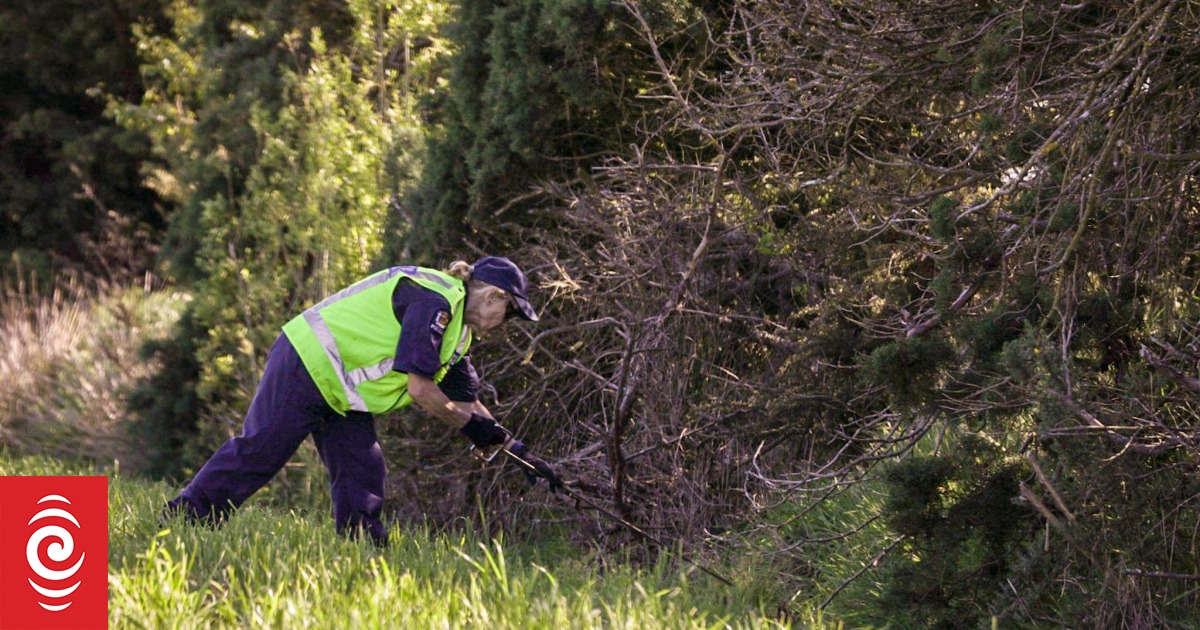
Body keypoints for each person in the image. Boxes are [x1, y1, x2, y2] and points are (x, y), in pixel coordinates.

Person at [162, 256, 562, 546]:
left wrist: (519, 451)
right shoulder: (435, 302)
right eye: (509, 313)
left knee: (364, 471)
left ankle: (363, 552)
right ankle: (182, 519)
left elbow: (467, 400)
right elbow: (421, 390)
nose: (505, 324)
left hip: (340, 392)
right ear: (494, 296)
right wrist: (469, 428)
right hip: (307, 361)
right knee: (261, 452)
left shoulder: (458, 332)